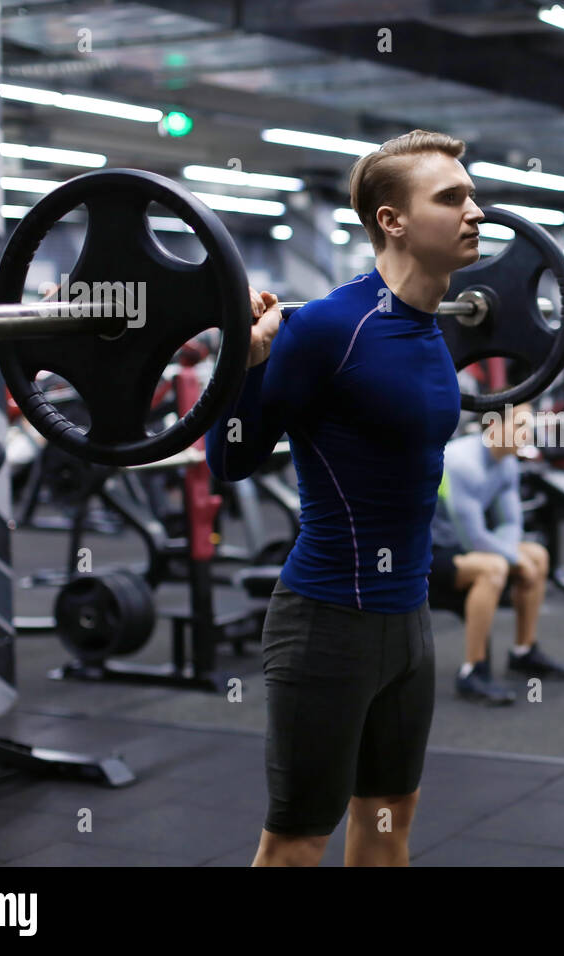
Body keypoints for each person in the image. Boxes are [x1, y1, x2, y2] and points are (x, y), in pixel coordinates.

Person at [205, 129, 479, 867]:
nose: (474, 211)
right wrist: (247, 365)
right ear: (391, 221)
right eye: (451, 198)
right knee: (296, 846)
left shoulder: (429, 330)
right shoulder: (331, 325)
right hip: (327, 620)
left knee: (391, 819)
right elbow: (230, 458)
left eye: (472, 195)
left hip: (408, 621)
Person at [428, 403, 564, 705]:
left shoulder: (507, 461)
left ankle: (523, 652)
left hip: (465, 546)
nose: (527, 434)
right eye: (520, 426)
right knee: (493, 567)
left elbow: (511, 523)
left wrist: (517, 557)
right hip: (428, 552)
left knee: (537, 555)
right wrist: (512, 559)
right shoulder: (461, 462)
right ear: (494, 428)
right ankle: (472, 671)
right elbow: (474, 539)